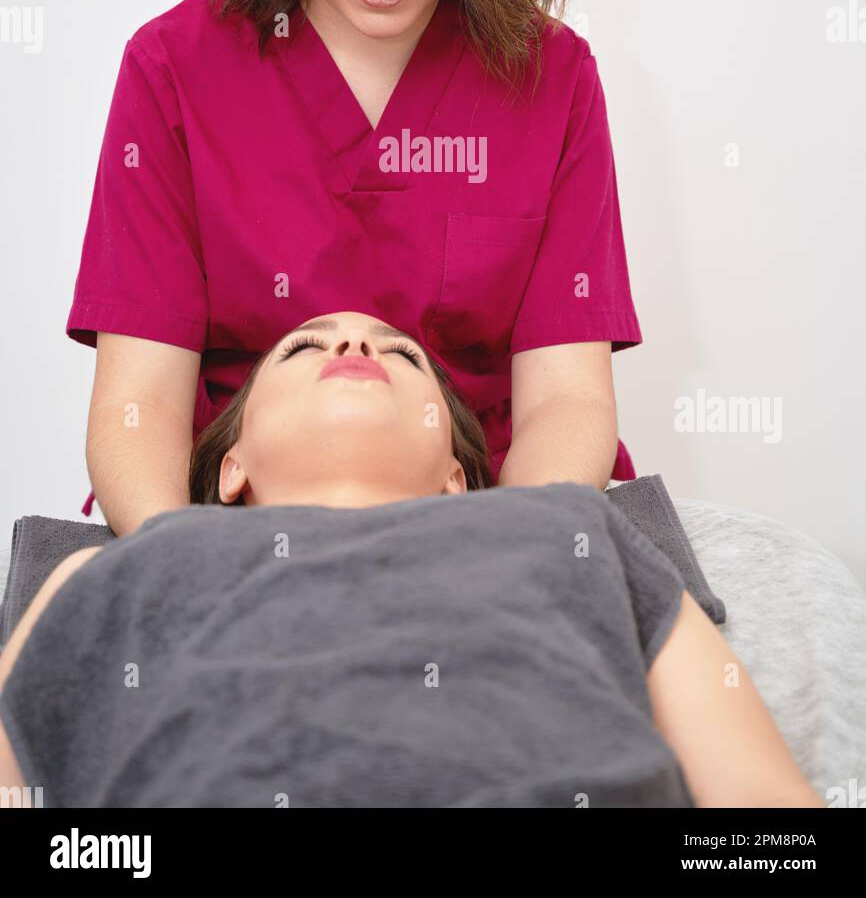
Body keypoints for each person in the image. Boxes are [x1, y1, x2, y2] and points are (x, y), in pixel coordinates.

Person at [67, 0, 644, 539]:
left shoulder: (551, 77)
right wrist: (173, 564)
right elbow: (138, 402)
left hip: (495, 521)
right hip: (223, 532)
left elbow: (567, 398)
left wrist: (504, 561)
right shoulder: (173, 70)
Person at [1, 313, 823, 809]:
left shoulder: (576, 533)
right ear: (230, 467)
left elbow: (762, 811)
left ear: (458, 477)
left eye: (402, 355)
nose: (357, 338)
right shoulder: (125, 567)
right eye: (300, 349)